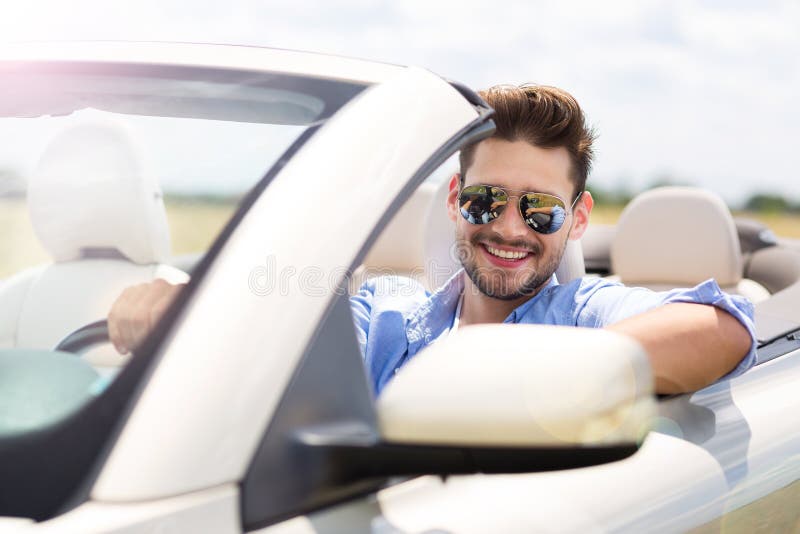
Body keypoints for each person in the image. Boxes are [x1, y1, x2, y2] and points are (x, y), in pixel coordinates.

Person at [108, 84, 756, 396]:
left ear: (579, 218)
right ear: (454, 202)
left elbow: (719, 330)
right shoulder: (388, 308)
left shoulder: (583, 313)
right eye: (484, 199)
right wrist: (176, 309)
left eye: (540, 210)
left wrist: (514, 371)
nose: (507, 227)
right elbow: (290, 332)